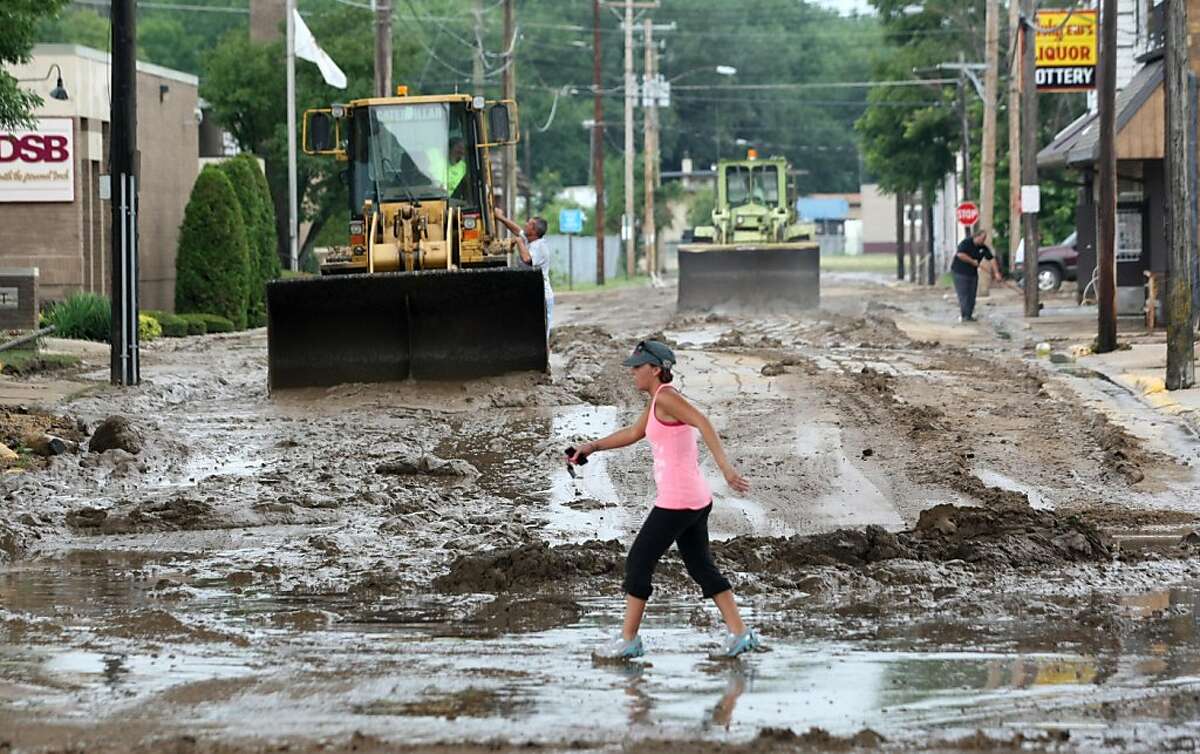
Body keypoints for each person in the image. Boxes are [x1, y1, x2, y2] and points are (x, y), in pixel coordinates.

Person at [569, 340, 761, 660]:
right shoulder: (657, 400)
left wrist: (726, 469)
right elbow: (633, 433)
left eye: (638, 367)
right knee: (701, 567)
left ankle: (628, 640)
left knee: (638, 562)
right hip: (694, 499)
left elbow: (704, 422)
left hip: (678, 501)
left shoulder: (669, 398)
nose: (632, 372)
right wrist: (592, 447)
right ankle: (740, 633)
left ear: (655, 369)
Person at [494, 208, 553, 337]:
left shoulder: (540, 246)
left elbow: (527, 259)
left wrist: (519, 242)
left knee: (542, 334)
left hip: (542, 294)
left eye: (528, 223)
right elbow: (516, 229)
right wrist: (500, 217)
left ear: (534, 230)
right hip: (531, 291)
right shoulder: (530, 240)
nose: (525, 224)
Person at [951, 229, 1002, 322]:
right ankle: (965, 316)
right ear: (976, 237)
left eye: (984, 239)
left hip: (972, 274)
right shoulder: (966, 243)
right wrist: (972, 261)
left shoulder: (983, 248)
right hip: (960, 272)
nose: (983, 241)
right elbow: (960, 254)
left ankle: (969, 315)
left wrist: (996, 273)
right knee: (964, 295)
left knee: (972, 295)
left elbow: (991, 259)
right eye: (982, 238)